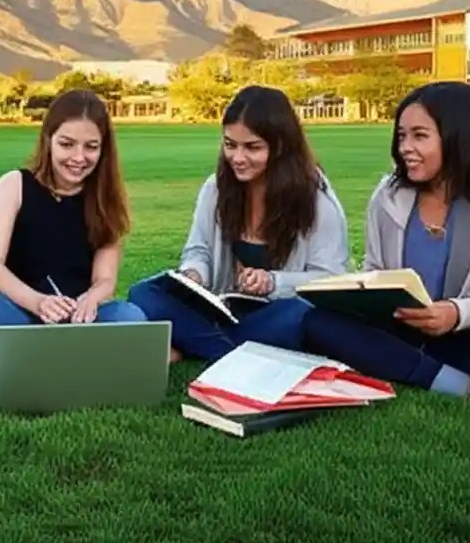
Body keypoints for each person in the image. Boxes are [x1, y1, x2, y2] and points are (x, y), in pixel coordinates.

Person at [300, 81, 470, 415]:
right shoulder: (388, 195)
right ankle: (463, 386)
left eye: (419, 135)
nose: (405, 148)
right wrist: (361, 296)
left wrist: (459, 312)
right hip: (403, 329)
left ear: (460, 136)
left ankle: (399, 364)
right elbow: (376, 270)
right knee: (318, 323)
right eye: (401, 136)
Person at [127, 85, 350, 362]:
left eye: (252, 147)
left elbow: (330, 280)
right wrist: (193, 276)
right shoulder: (216, 189)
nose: (238, 158)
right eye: (230, 145)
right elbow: (198, 251)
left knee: (300, 315)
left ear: (281, 146)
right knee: (144, 293)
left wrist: (272, 282)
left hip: (276, 312)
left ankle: (200, 344)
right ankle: (227, 351)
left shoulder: (315, 199)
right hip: (222, 310)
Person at [0, 89, 146, 377]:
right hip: (19, 308)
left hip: (77, 319)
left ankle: (14, 354)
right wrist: (39, 303)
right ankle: (61, 357)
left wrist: (90, 299)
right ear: (48, 140)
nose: (79, 157)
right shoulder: (14, 185)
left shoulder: (106, 199)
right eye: (67, 144)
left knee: (130, 317)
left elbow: (105, 279)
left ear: (103, 149)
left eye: (91, 147)